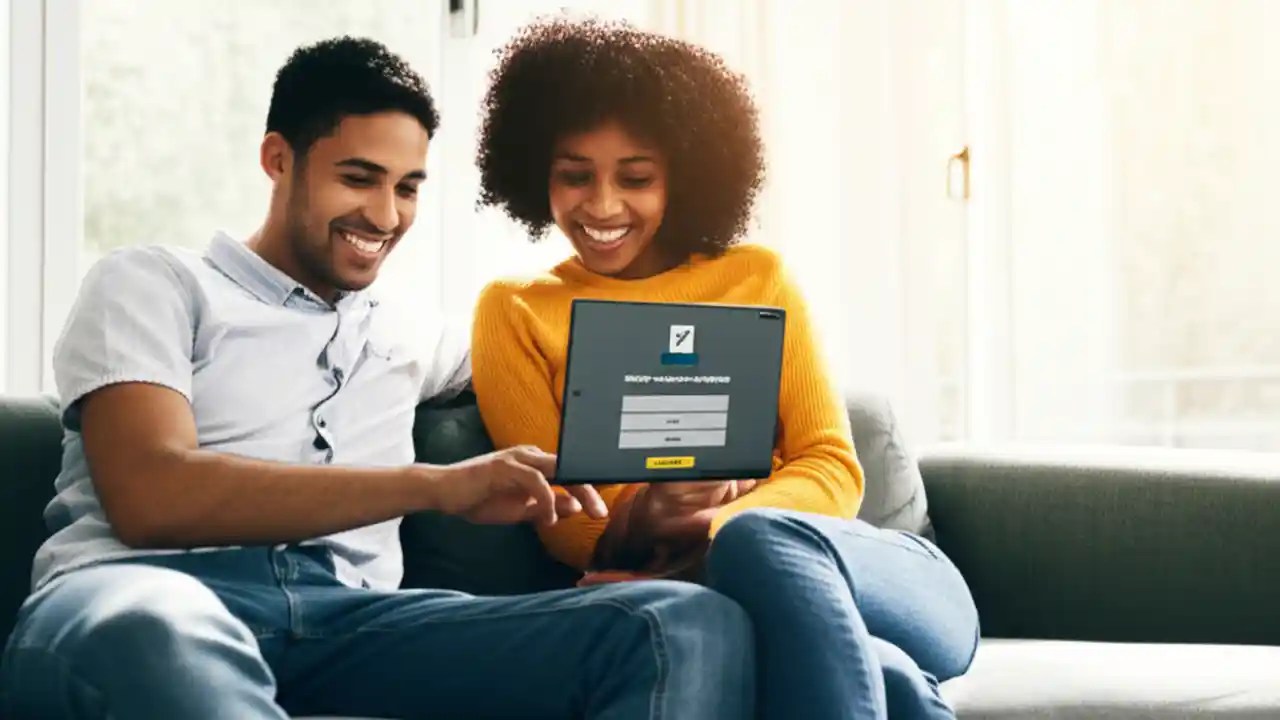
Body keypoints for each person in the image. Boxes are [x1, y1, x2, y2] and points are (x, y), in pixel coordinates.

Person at [0, 36, 755, 720]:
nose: (386, 214)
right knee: (158, 631)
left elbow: (580, 365)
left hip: (348, 625)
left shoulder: (412, 333)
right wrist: (434, 484)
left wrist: (686, 480)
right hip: (139, 597)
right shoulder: (154, 283)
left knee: (677, 623)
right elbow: (152, 496)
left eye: (408, 186)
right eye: (358, 178)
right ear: (277, 159)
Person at [470, 17, 980, 720]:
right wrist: (645, 513)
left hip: (873, 574)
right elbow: (562, 521)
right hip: (719, 608)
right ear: (535, 174)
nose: (604, 205)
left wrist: (720, 526)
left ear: (683, 174)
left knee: (758, 538)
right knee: (888, 681)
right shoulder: (516, 311)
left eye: (637, 178)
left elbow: (833, 467)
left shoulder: (758, 277)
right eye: (574, 176)